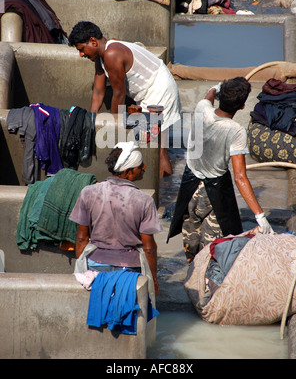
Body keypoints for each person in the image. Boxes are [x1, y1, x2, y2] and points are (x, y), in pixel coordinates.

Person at [167, 77, 274, 265]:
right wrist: (260, 215)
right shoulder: (236, 130)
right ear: (241, 107)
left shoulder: (201, 108)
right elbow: (240, 177)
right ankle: (207, 289)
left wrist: (214, 88)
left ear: (219, 97)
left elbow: (208, 96)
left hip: (189, 188)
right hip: (214, 193)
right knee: (212, 251)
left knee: (191, 245)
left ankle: (192, 279)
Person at [68, 21, 182, 177]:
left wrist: (115, 128)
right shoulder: (101, 56)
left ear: (93, 42)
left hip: (159, 90)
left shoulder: (111, 54)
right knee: (151, 145)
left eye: (82, 49)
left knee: (155, 149)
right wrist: (91, 120)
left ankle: (163, 193)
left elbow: (119, 94)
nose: (81, 54)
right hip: (151, 90)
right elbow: (98, 91)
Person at [69, 141, 161, 295]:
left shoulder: (88, 192)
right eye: (140, 166)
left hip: (95, 265)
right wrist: (155, 280)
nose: (144, 167)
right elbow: (149, 247)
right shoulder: (144, 200)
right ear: (128, 171)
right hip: (130, 269)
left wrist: (82, 268)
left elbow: (81, 238)